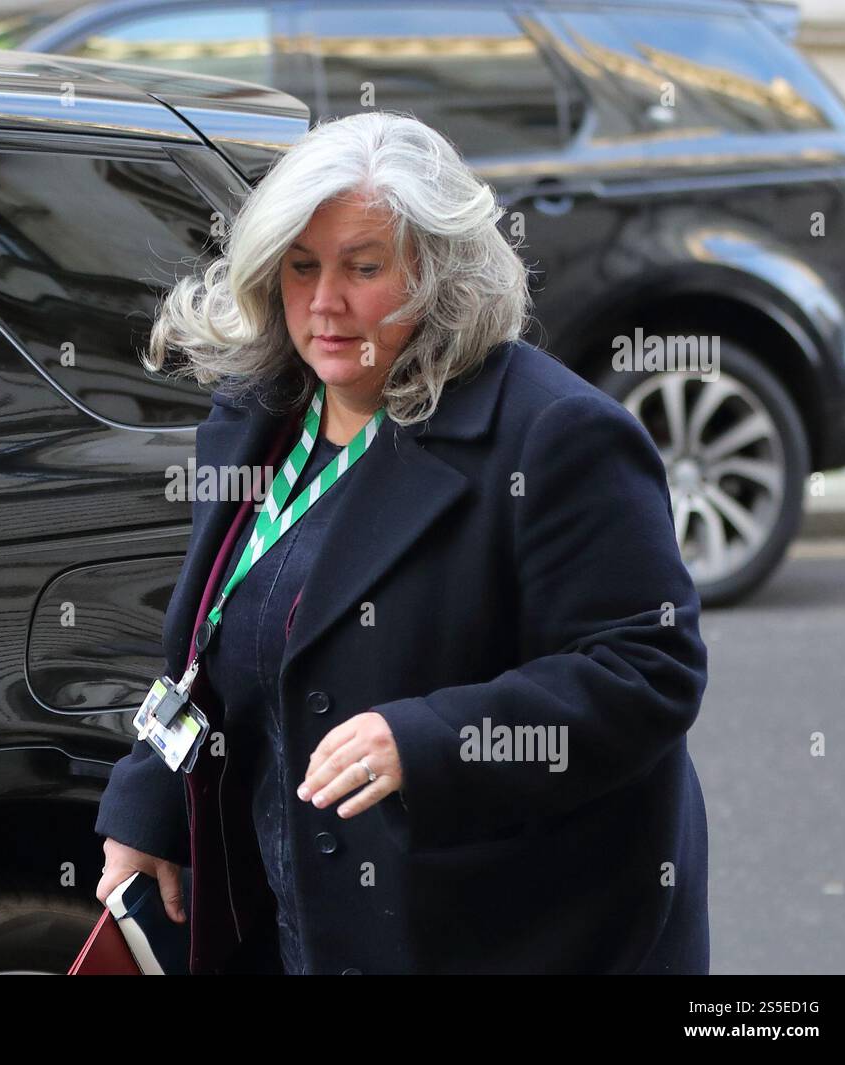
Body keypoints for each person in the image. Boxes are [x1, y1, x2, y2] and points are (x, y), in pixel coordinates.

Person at [94, 111, 710, 975]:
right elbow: (210, 646)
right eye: (300, 267)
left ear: (441, 274)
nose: (324, 303)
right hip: (305, 926)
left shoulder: (555, 435)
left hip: (509, 934)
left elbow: (649, 668)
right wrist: (150, 806)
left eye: (364, 266)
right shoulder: (257, 418)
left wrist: (428, 740)